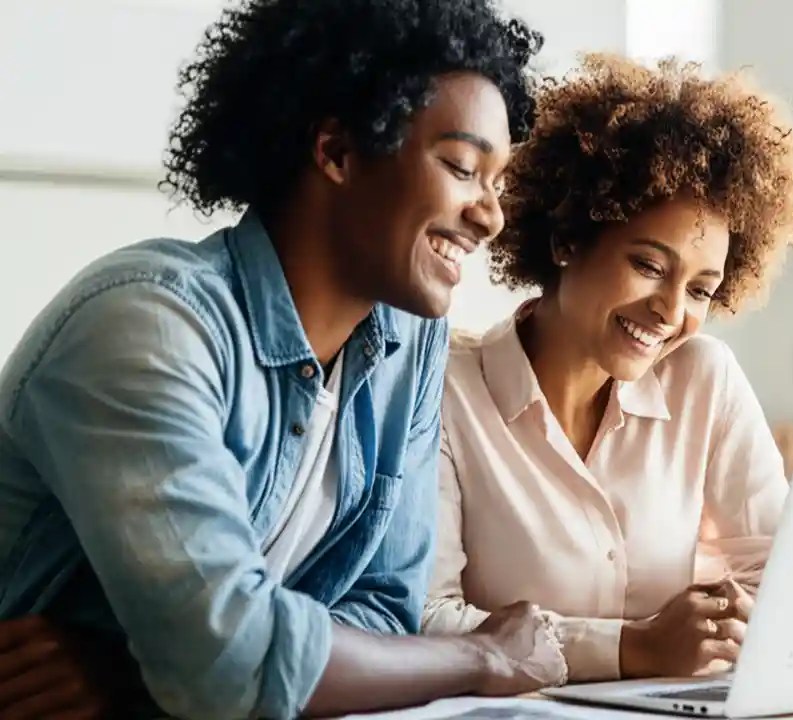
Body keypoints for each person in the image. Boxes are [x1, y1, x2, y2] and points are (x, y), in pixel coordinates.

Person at [0, 1, 568, 717]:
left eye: (499, 183)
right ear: (337, 152)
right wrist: (482, 654)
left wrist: (145, 669)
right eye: (461, 166)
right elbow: (230, 662)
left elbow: (384, 609)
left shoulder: (407, 341)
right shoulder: (148, 327)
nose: (490, 215)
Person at [421, 53, 793, 682]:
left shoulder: (704, 380)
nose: (670, 312)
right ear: (567, 241)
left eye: (700, 290)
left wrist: (748, 616)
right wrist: (629, 647)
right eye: (649, 266)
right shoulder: (444, 389)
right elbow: (427, 619)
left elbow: (780, 570)